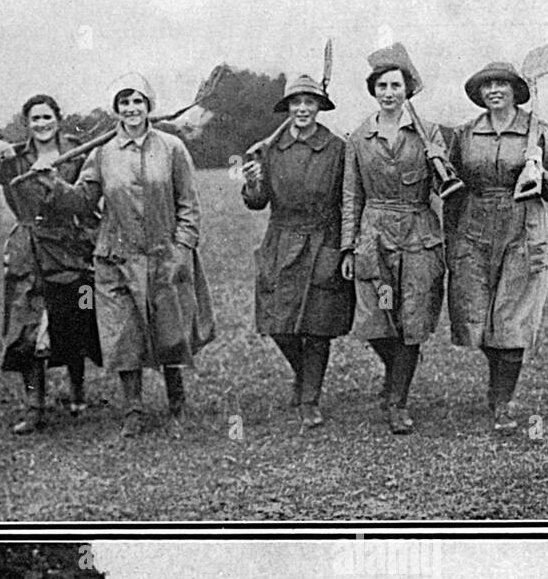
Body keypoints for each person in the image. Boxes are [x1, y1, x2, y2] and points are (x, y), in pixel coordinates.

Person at [34, 73, 215, 437]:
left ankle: (176, 400)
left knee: (169, 331)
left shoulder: (172, 148)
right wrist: (51, 182)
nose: (131, 109)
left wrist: (182, 248)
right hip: (115, 257)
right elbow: (83, 199)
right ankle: (132, 408)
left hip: (164, 254)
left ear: (149, 106)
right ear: (115, 109)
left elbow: (189, 205)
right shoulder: (103, 153)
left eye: (137, 101)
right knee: (123, 335)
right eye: (124, 102)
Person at [0, 95, 102, 433]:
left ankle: (77, 391)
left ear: (58, 119)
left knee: (74, 320)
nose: (42, 124)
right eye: (35, 119)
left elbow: (88, 196)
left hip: (71, 249)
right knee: (26, 328)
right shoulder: (13, 157)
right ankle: (35, 408)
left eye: (47, 117)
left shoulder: (78, 152)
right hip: (27, 251)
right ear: (27, 122)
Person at [445, 62, 548, 433]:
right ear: (479, 94)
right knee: (477, 317)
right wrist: (451, 237)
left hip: (523, 228)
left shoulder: (538, 131)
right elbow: (452, 187)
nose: (494, 90)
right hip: (474, 228)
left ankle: (502, 401)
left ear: (516, 89)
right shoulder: (466, 134)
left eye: (502, 84)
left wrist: (539, 173)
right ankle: (497, 376)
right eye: (487, 85)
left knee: (513, 318)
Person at [341, 43, 450, 434]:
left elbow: (445, 189)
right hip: (375, 241)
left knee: (412, 319)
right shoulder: (358, 137)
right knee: (378, 319)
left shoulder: (428, 131)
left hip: (418, 239)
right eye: (382, 86)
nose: (389, 93)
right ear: (374, 90)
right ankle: (397, 371)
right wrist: (349, 246)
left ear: (407, 90)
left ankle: (397, 401)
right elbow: (351, 196)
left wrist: (440, 160)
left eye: (396, 85)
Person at [241, 74, 353, 429]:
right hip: (282, 239)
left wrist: (341, 248)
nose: (302, 108)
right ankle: (305, 375)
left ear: (319, 107)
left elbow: (347, 200)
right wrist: (252, 181)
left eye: (309, 102)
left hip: (323, 239)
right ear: (287, 108)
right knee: (280, 324)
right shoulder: (269, 149)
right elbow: (257, 203)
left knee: (318, 327)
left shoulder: (337, 149)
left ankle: (309, 399)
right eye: (295, 103)